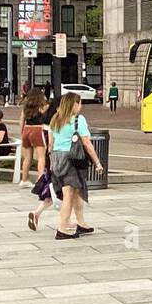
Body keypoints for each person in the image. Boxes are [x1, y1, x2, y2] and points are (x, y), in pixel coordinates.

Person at [49, 92, 104, 240]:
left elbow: (51, 142)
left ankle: (81, 222)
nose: (81, 106)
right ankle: (62, 228)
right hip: (71, 160)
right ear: (74, 104)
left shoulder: (55, 119)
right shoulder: (78, 120)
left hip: (56, 159)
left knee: (76, 192)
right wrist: (97, 162)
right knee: (69, 194)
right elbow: (86, 142)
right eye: (79, 103)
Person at [17, 88, 49, 186]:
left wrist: (21, 133)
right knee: (41, 157)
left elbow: (21, 121)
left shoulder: (26, 107)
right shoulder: (43, 106)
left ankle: (24, 179)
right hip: (38, 129)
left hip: (26, 130)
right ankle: (40, 179)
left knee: (27, 158)